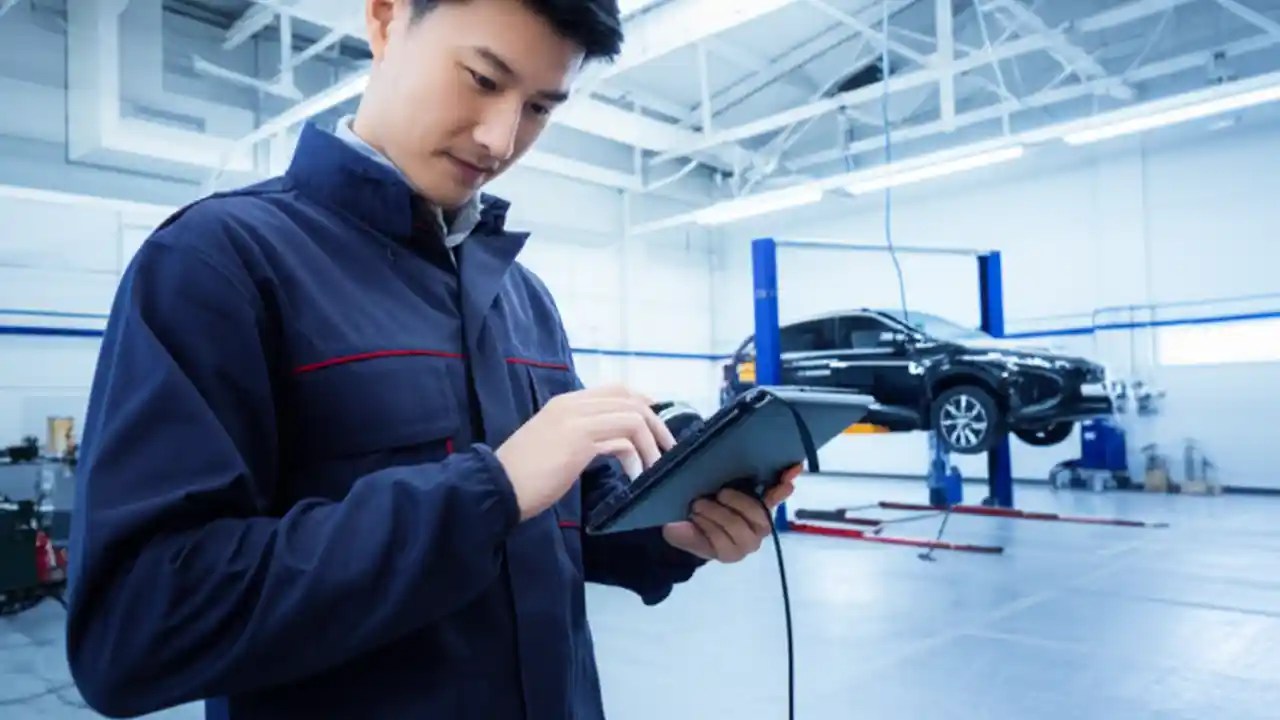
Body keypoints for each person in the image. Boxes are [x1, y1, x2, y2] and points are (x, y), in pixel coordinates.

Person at [64, 1, 799, 718]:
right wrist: (489, 490)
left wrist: (670, 533)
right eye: (482, 78)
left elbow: (569, 521)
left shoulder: (522, 296)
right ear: (385, 19)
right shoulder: (219, 263)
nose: (500, 139)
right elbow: (135, 628)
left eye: (539, 107)